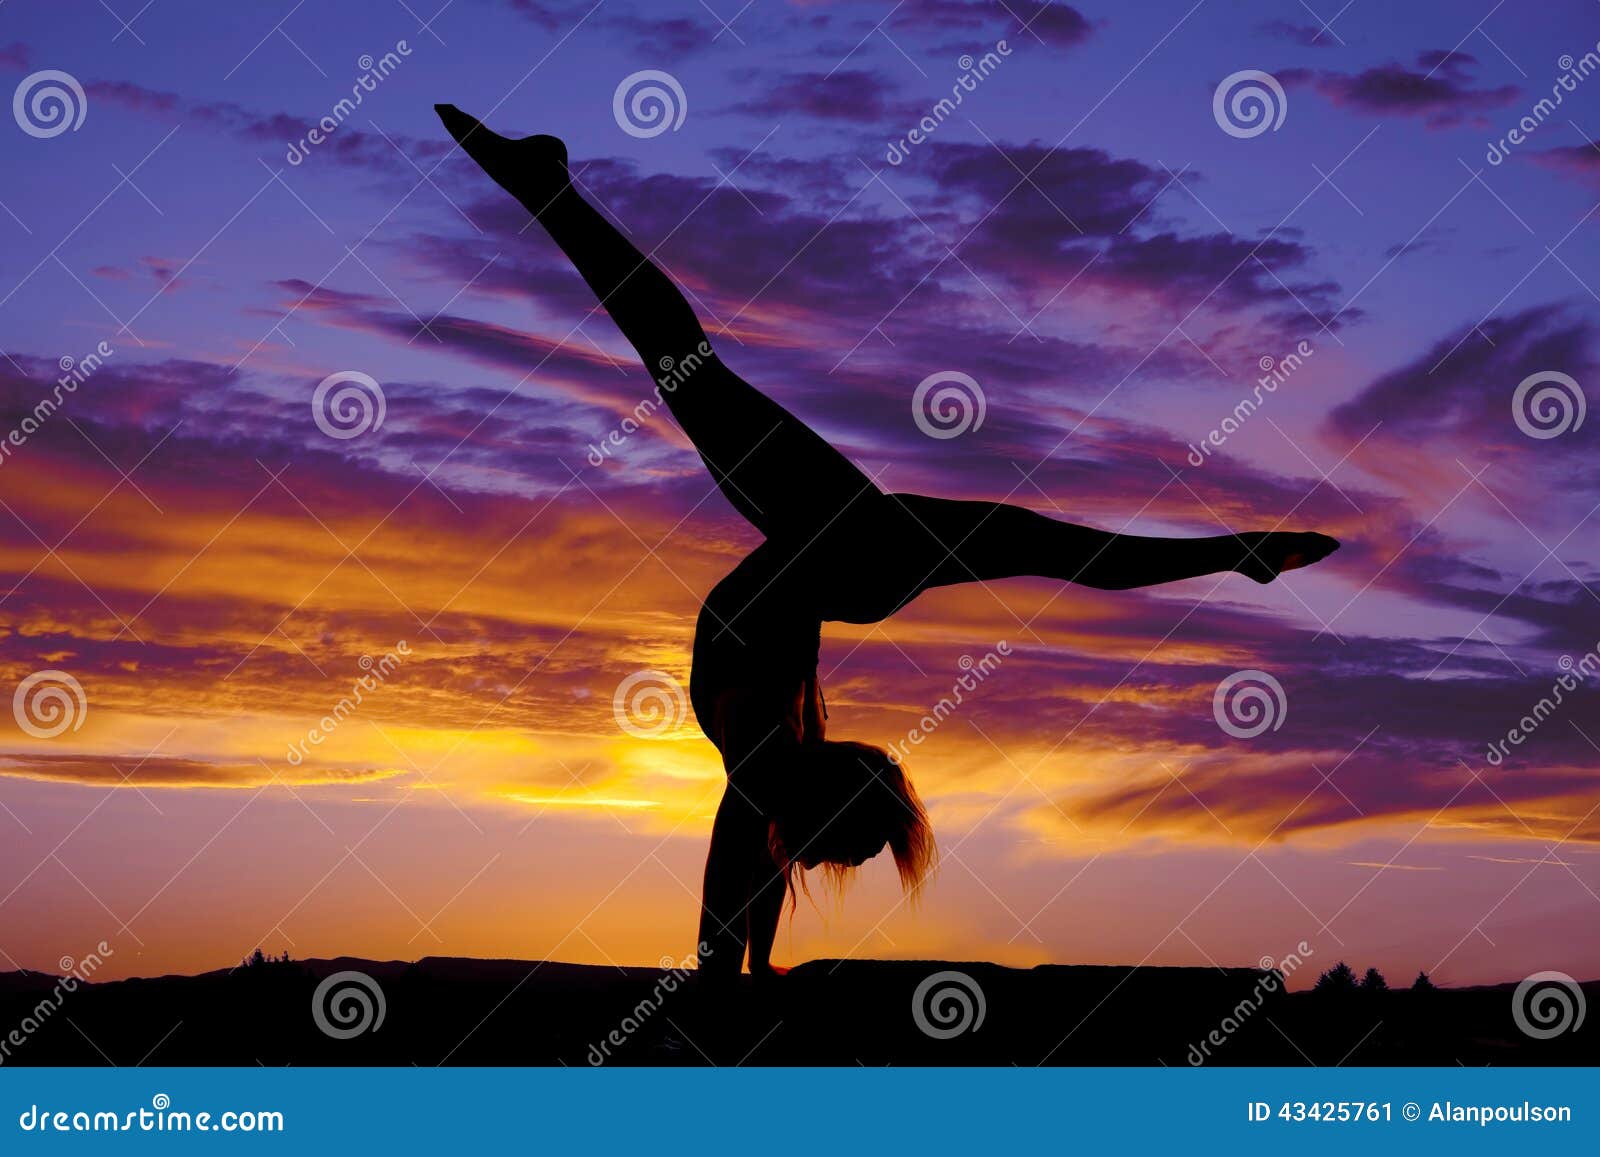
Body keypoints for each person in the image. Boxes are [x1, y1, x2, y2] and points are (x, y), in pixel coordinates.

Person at [437, 105, 1340, 980]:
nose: (849, 861)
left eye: (853, 844)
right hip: (838, 551)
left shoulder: (769, 764)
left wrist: (737, 970)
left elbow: (745, 860)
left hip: (841, 557)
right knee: (696, 370)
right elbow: (743, 858)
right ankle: (547, 187)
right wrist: (729, 975)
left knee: (1036, 542)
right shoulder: (771, 763)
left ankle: (1237, 554)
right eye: (853, 847)